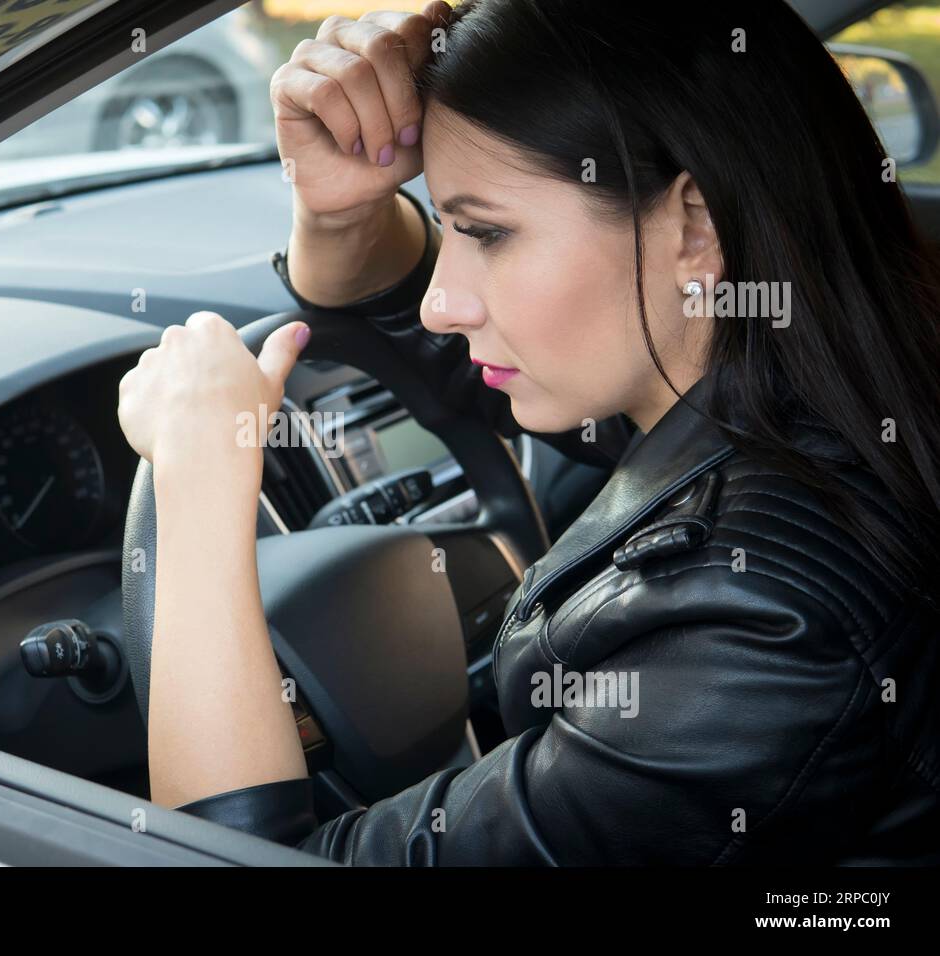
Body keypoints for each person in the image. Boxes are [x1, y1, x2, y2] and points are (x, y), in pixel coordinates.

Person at [114, 0, 940, 864]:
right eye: (446, 226)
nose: (442, 297)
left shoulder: (755, 628)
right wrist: (341, 210)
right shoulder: (799, 396)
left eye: (485, 232)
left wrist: (199, 484)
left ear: (695, 226)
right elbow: (436, 343)